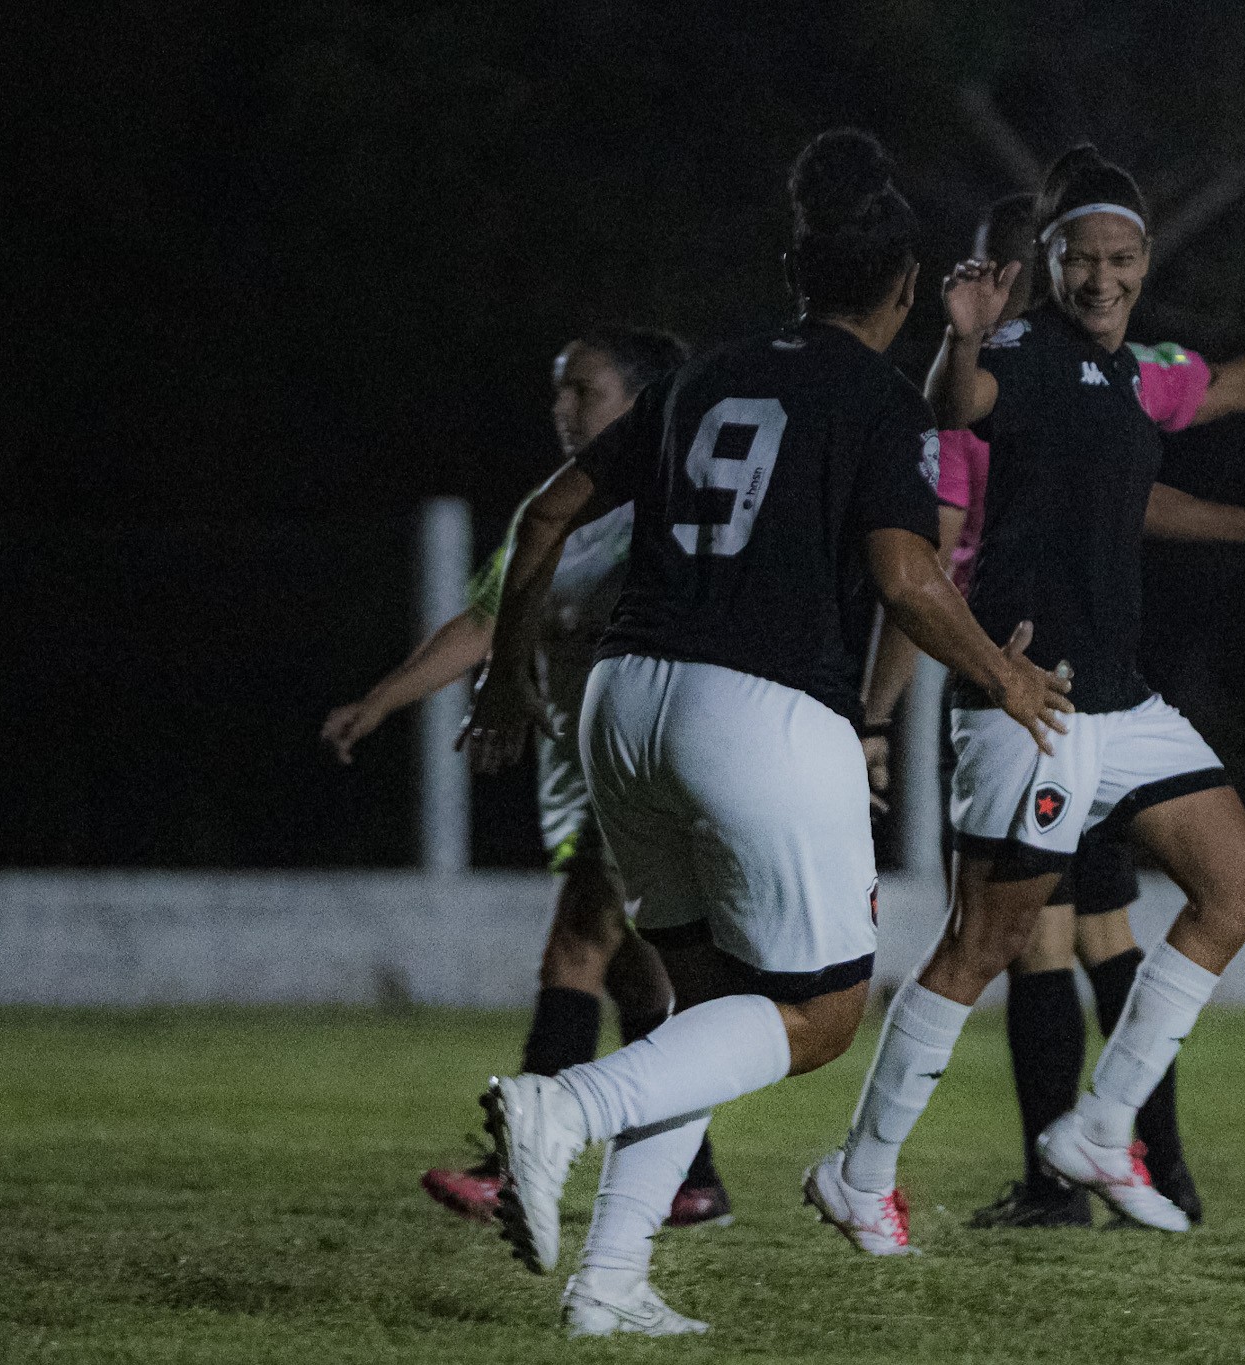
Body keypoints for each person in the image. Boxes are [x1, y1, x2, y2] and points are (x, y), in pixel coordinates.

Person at [458, 128, 1071, 1337]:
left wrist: (504, 679)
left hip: (622, 701)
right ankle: (563, 1107)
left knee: (708, 1013)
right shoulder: (880, 400)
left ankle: (611, 1280)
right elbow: (905, 576)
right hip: (759, 712)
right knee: (821, 1017)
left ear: (795, 275)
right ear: (903, 288)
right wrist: (1001, 674)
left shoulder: (699, 377)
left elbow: (543, 519)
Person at [812, 143, 1245, 1251]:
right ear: (1051, 259)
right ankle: (859, 1169)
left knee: (1236, 894)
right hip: (1031, 698)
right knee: (986, 944)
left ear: (1144, 260)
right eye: (1081, 258)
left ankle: (1099, 1128)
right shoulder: (1022, 350)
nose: (1101, 277)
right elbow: (960, 405)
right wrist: (962, 336)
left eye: (1120, 259)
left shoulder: (1125, 377)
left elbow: (1146, 487)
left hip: (1118, 701)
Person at [318, 327, 735, 1228]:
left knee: (574, 947)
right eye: (559, 390)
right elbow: (486, 619)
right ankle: (694, 1180)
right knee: (638, 982)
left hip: (641, 773)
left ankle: (515, 1166)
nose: (564, 408)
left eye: (585, 390)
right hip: (573, 776)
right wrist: (382, 701)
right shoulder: (553, 508)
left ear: (643, 403)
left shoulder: (675, 507)